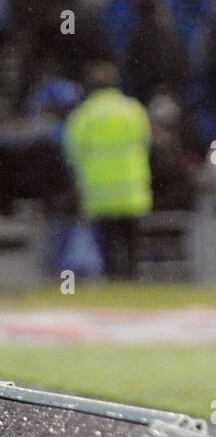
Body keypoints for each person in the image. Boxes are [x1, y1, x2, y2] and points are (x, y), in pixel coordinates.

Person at [62, 61, 152, 280]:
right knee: (132, 246)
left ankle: (113, 281)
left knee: (108, 246)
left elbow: (71, 154)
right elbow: (146, 143)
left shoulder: (83, 116)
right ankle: (133, 281)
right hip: (132, 191)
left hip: (100, 194)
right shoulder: (133, 110)